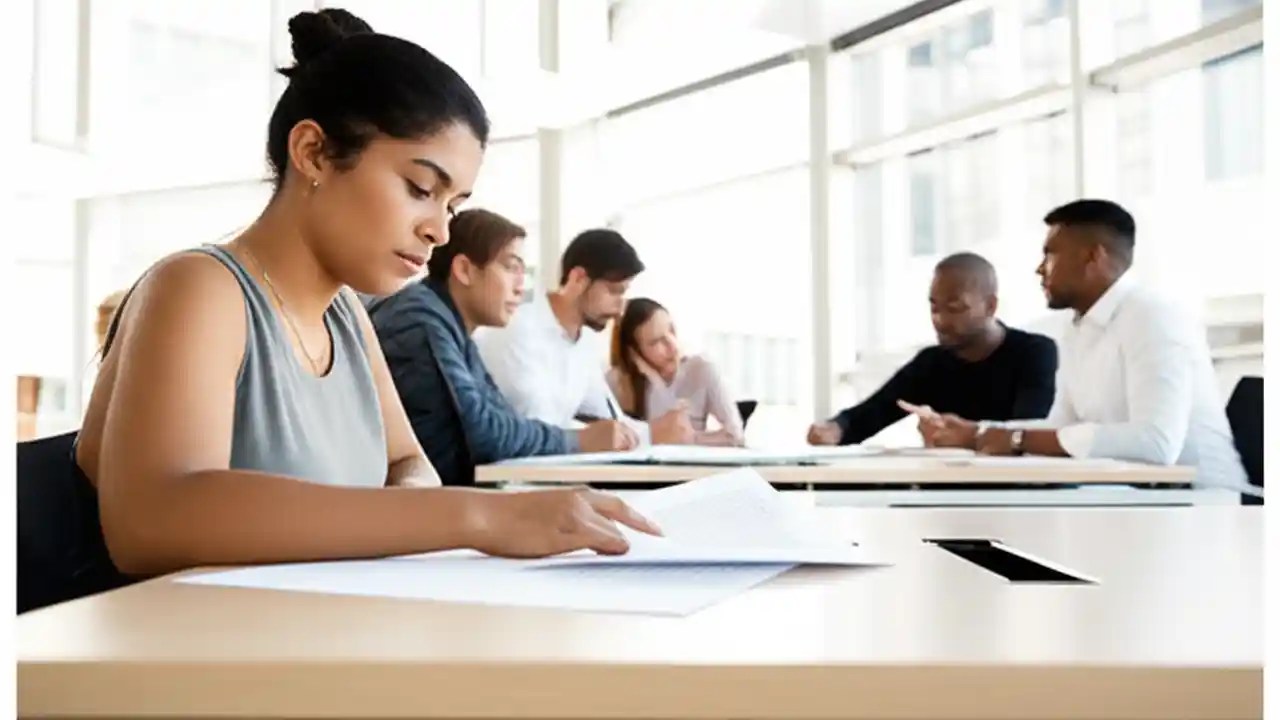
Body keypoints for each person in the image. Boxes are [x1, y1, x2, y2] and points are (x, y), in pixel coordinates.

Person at [52, 9, 658, 604]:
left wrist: (428, 509)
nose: (440, 232)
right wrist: (476, 516)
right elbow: (154, 518)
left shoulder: (346, 316)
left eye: (452, 204)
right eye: (421, 189)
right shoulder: (198, 289)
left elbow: (407, 464)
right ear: (314, 152)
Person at [924, 200, 1248, 489]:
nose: (1039, 269)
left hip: (1202, 504)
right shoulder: (1078, 328)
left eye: (1049, 254)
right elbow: (1062, 427)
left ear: (1093, 256)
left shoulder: (1152, 316)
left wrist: (1014, 439)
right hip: (1129, 496)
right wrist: (976, 433)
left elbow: (1156, 443)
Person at [368, 209, 637, 485]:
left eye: (523, 271)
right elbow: (485, 434)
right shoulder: (421, 319)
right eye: (511, 267)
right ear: (464, 270)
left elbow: (502, 417)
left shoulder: (455, 329)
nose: (521, 287)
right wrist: (578, 440)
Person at [807, 252, 1057, 447]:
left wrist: (966, 436)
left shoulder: (1034, 353)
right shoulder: (933, 363)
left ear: (990, 306)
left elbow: (1027, 431)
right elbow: (872, 412)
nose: (939, 319)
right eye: (934, 308)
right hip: (949, 491)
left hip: (1022, 495)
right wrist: (835, 428)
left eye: (955, 307)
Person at [476, 229, 695, 445]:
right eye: (613, 291)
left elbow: (610, 421)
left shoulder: (585, 342)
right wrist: (649, 435)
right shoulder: (518, 328)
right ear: (578, 278)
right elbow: (538, 425)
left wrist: (657, 430)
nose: (620, 310)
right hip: (509, 471)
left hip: (553, 473)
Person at [606, 298, 745, 446]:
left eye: (671, 330)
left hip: (689, 467)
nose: (672, 345)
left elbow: (736, 436)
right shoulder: (617, 382)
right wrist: (655, 382)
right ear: (634, 353)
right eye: (656, 342)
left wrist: (692, 439)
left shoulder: (701, 369)